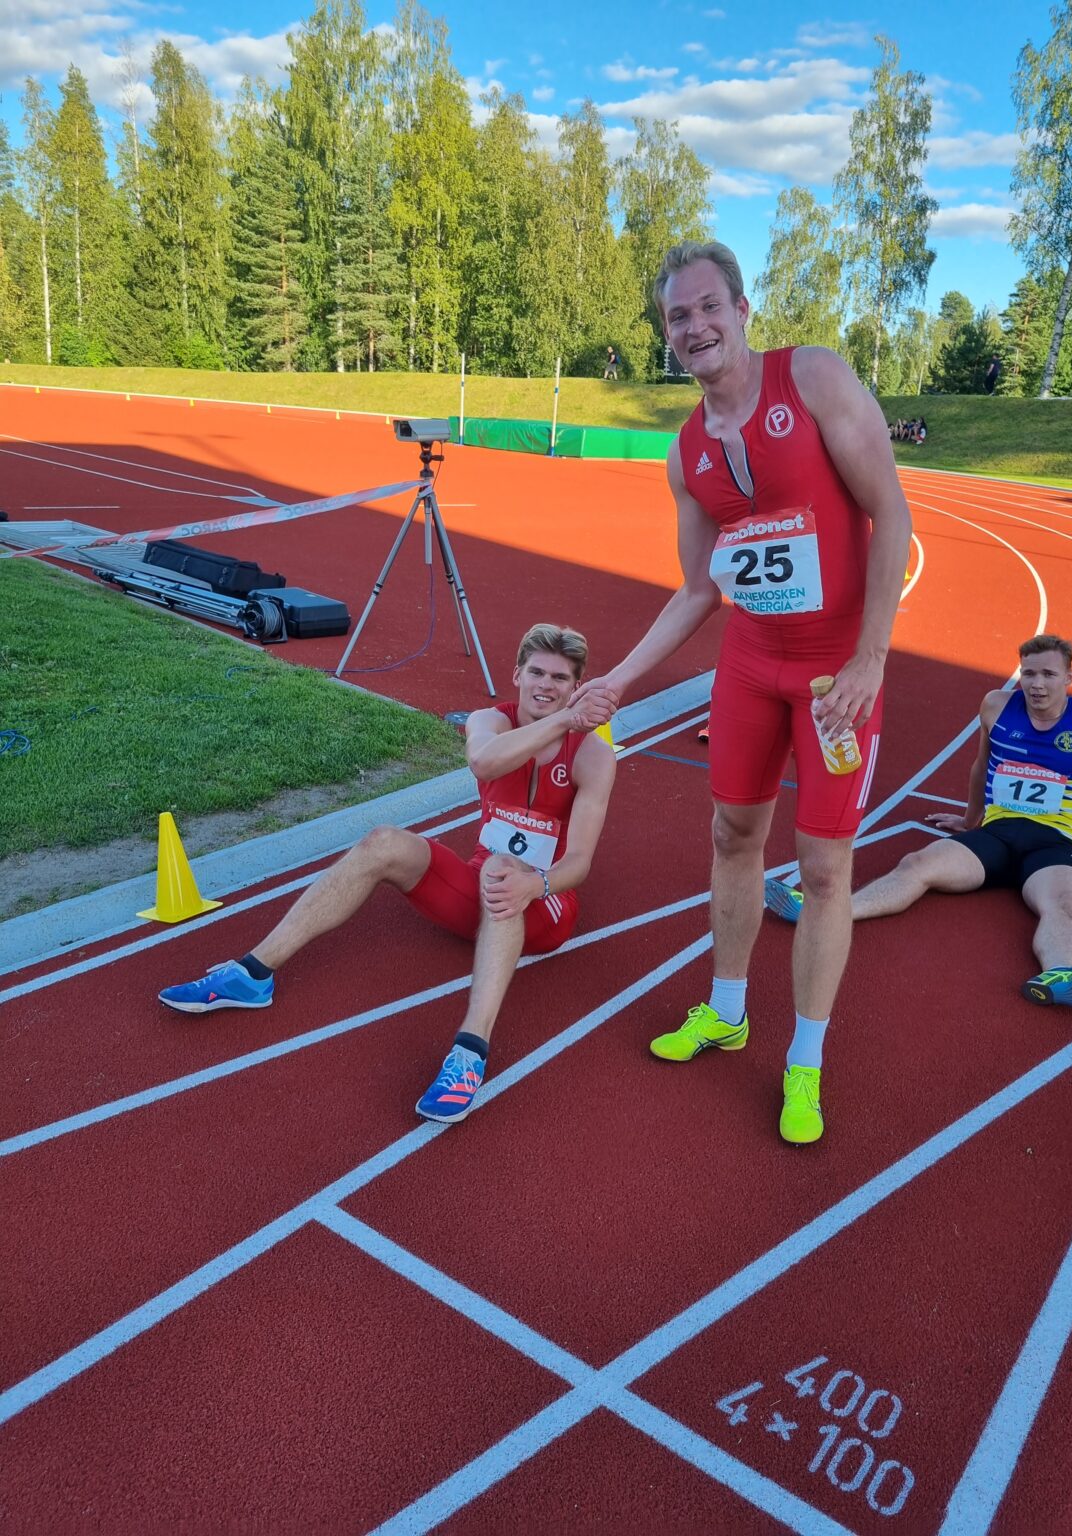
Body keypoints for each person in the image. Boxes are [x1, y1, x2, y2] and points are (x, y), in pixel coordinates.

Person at [573, 240, 912, 1145]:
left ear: (742, 309)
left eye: (707, 308)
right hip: (753, 669)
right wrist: (616, 679)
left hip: (840, 674)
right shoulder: (686, 452)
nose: (695, 327)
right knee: (732, 835)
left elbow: (892, 515)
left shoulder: (814, 379)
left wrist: (874, 658)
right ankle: (727, 1009)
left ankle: (804, 1060)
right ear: (667, 333)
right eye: (677, 317)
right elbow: (697, 591)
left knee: (827, 864)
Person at [158, 624, 618, 1124]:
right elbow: (484, 764)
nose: (545, 685)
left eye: (559, 677)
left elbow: (578, 865)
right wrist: (565, 719)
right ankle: (252, 974)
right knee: (383, 840)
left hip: (544, 904)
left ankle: (469, 1053)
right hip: (480, 886)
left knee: (505, 872)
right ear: (517, 674)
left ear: (577, 684)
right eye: (536, 672)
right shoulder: (490, 720)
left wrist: (536, 883)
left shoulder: (592, 755)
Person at [765, 635, 1072, 1005]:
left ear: (1069, 677)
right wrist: (969, 821)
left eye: (1048, 675)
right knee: (917, 864)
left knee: (1064, 904)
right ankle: (825, 913)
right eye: (1029, 673)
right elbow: (981, 766)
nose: (1037, 684)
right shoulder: (997, 706)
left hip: (1055, 842)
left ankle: (1059, 975)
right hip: (995, 836)